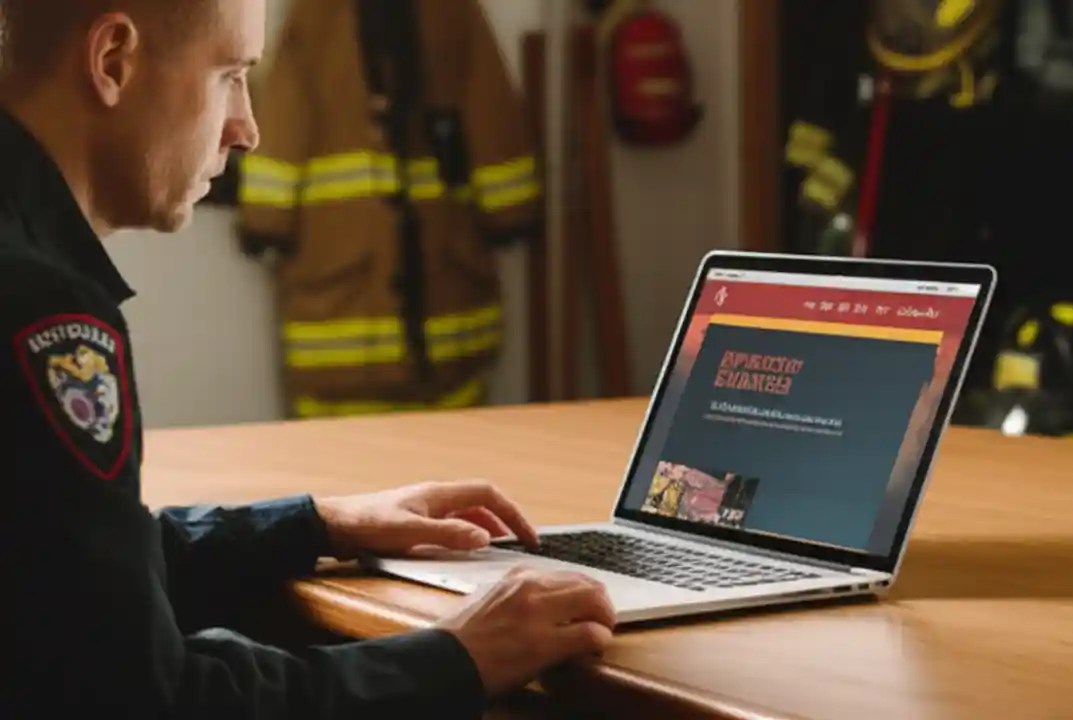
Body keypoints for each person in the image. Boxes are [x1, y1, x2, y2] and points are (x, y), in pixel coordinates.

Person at [0, 0, 614, 716]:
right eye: (229, 74)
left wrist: (315, 524)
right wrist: (456, 658)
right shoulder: (39, 309)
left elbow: (57, 576)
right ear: (112, 61)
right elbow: (149, 700)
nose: (248, 129)